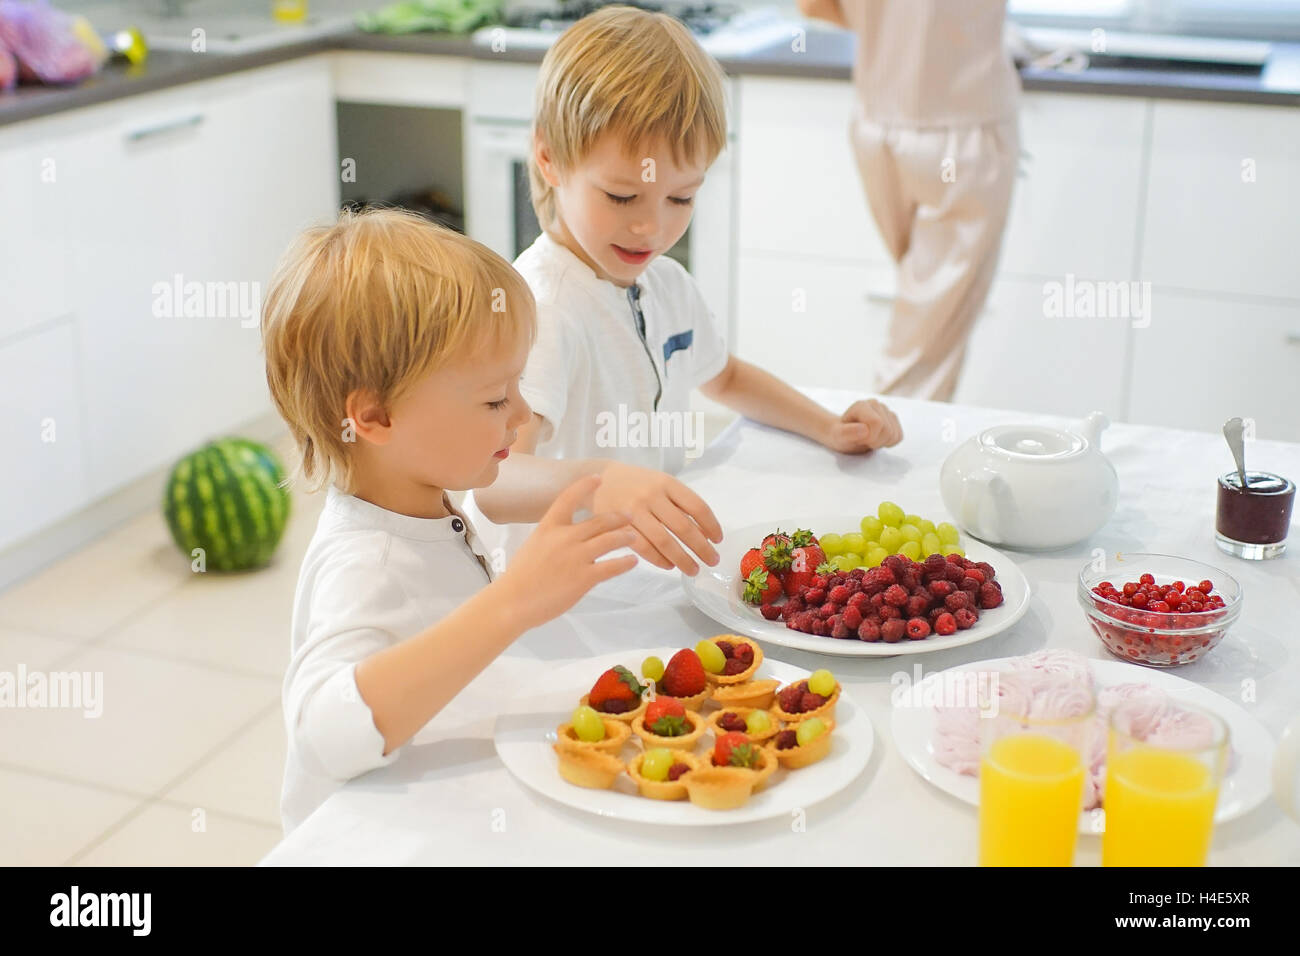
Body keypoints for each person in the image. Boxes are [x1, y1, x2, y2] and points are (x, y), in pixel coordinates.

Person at [263, 208, 667, 832]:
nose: (521, 413)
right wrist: (512, 602)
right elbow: (323, 731)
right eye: (495, 398)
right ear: (375, 417)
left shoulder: (426, 492)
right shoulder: (365, 561)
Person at [472, 5, 904, 560]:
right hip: (560, 593)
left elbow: (723, 376)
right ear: (550, 160)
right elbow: (497, 483)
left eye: (681, 197)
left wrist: (828, 427)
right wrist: (604, 481)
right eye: (622, 196)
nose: (652, 226)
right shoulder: (544, 308)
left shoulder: (665, 281)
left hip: (634, 563)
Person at [798, 0, 1021, 400]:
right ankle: (890, 443)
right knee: (925, 352)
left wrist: (893, 28)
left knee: (922, 322)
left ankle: (891, 437)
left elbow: (814, 5)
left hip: (879, 128)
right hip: (963, 128)